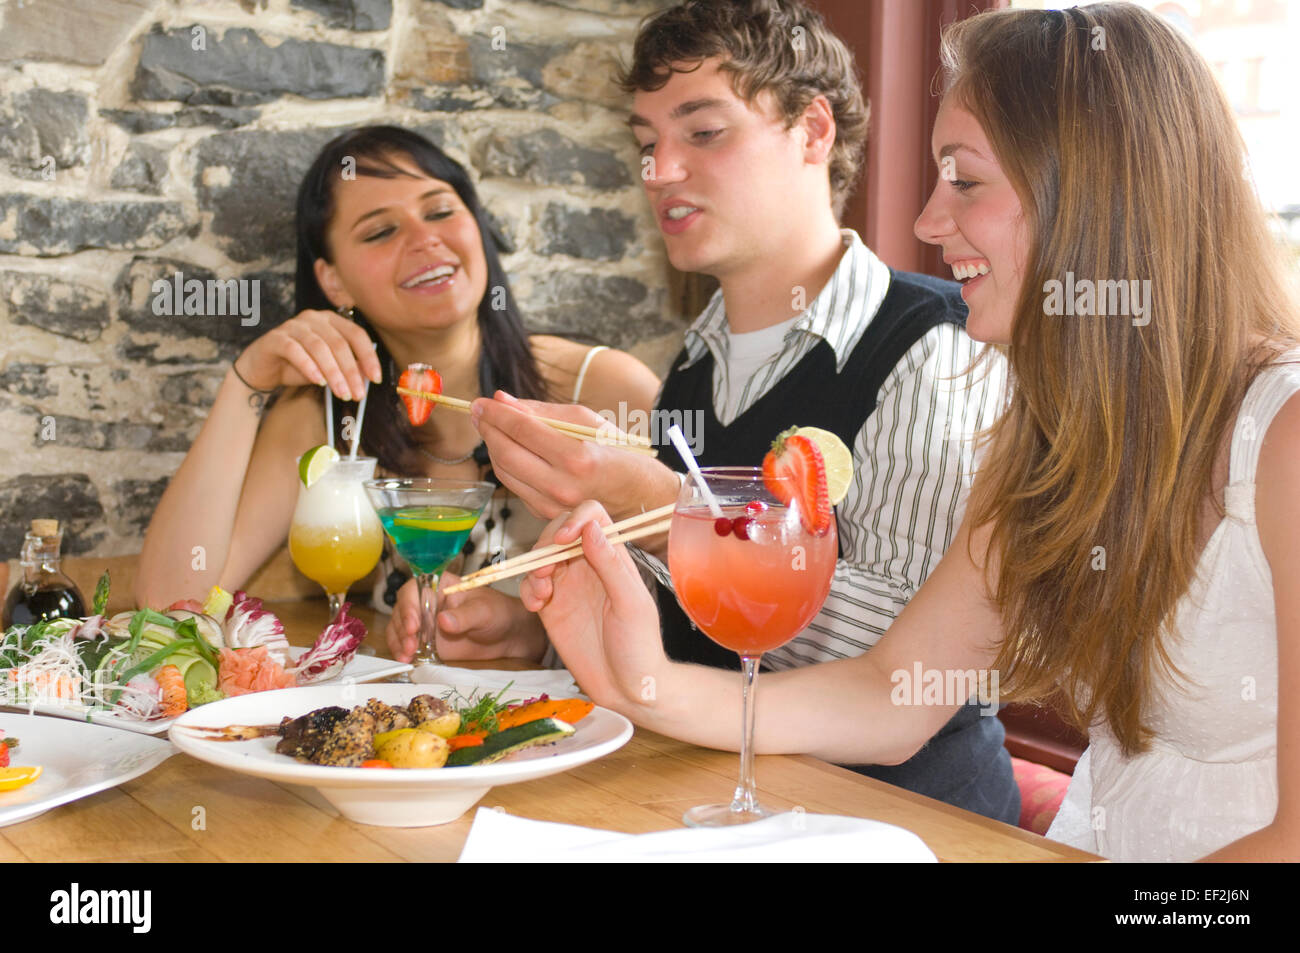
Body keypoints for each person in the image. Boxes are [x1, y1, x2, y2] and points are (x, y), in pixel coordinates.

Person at [519, 2, 1300, 862]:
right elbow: (894, 691)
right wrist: (640, 680)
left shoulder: (1285, 432)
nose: (928, 222)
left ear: (1097, 192)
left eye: (965, 181)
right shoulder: (1047, 436)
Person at [461, 0, 1019, 823]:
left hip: (903, 823)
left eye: (704, 132)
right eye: (647, 143)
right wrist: (530, 632)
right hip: (714, 802)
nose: (660, 171)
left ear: (813, 131)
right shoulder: (695, 361)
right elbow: (689, 634)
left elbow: (907, 667)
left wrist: (668, 511)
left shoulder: (938, 346)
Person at [136, 126, 660, 657]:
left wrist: (532, 633)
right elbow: (172, 602)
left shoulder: (602, 389)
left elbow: (687, 594)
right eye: (381, 231)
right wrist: (246, 381)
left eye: (440, 211)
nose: (424, 239)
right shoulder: (329, 417)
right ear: (334, 281)